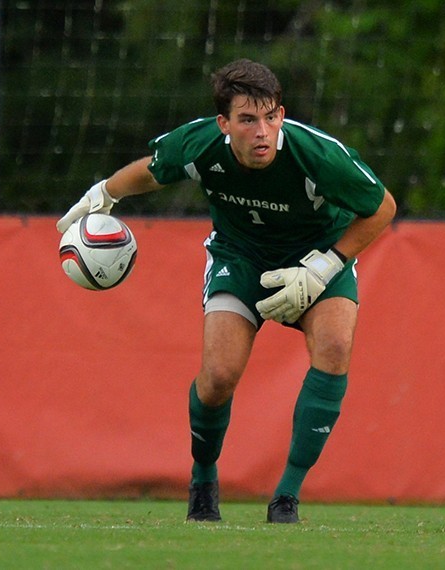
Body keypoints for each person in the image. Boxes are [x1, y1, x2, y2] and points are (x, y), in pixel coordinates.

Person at [56, 59, 396, 523]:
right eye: (248, 120)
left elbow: (382, 207)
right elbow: (153, 171)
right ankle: (203, 478)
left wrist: (325, 267)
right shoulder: (200, 144)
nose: (262, 131)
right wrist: (105, 194)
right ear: (224, 123)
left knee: (335, 347)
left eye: (271, 117)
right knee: (218, 376)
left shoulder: (317, 154)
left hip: (318, 256)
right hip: (240, 257)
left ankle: (287, 495)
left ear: (282, 114)